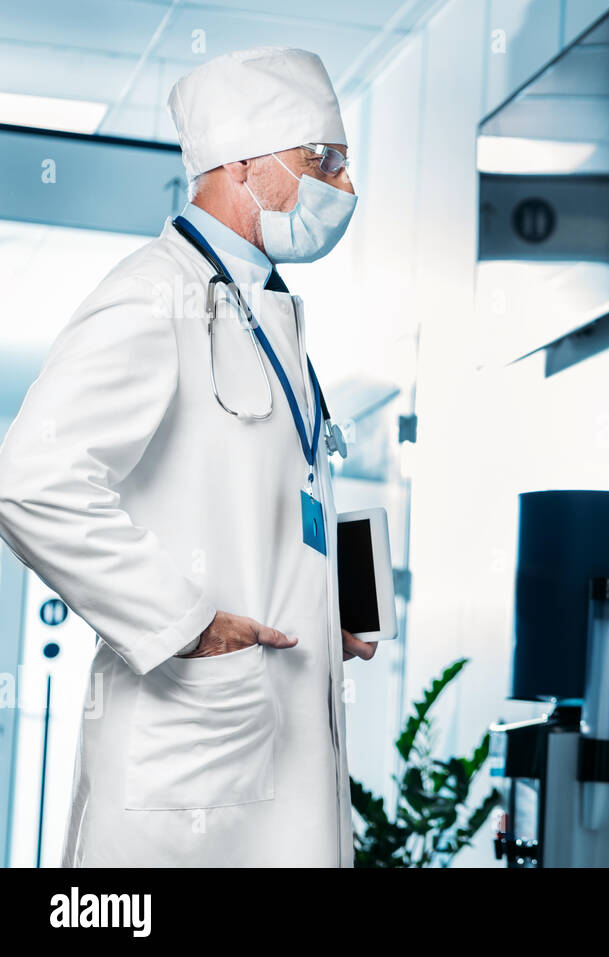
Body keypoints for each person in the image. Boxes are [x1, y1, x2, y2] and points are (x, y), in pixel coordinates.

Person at [0, 46, 376, 866]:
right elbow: (29, 481)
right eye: (325, 161)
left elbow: (264, 506)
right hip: (198, 750)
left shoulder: (259, 306)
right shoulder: (151, 292)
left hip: (266, 731)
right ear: (244, 165)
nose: (343, 188)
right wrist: (185, 624)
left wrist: (330, 605)